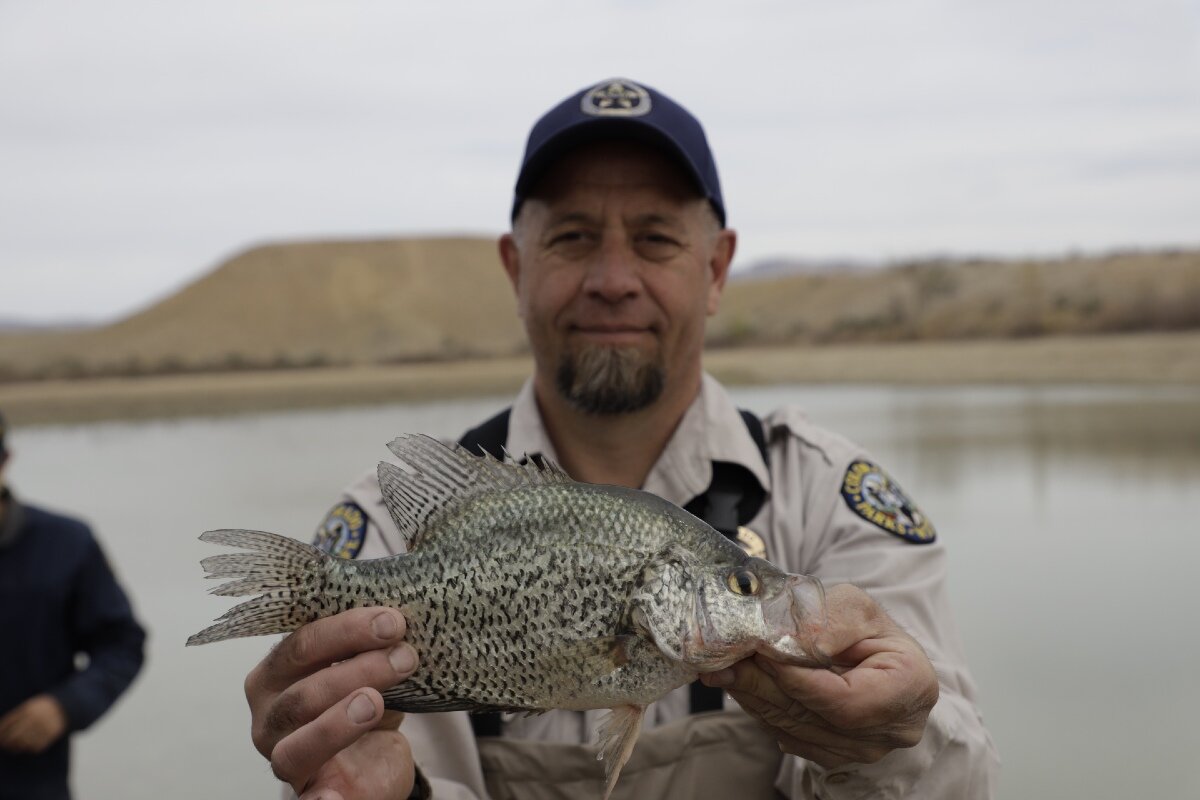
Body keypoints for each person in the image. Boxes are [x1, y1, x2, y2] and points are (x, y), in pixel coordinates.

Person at [245, 78, 1000, 799]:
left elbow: (966, 786)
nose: (612, 277)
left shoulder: (826, 500)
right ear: (515, 268)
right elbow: (355, 767)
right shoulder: (382, 529)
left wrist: (894, 745)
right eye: (573, 237)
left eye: (655, 238)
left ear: (717, 268)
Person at [0, 410, 147, 800]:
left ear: (5, 460)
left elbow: (122, 643)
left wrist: (64, 706)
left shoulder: (66, 545)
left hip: (31, 784)